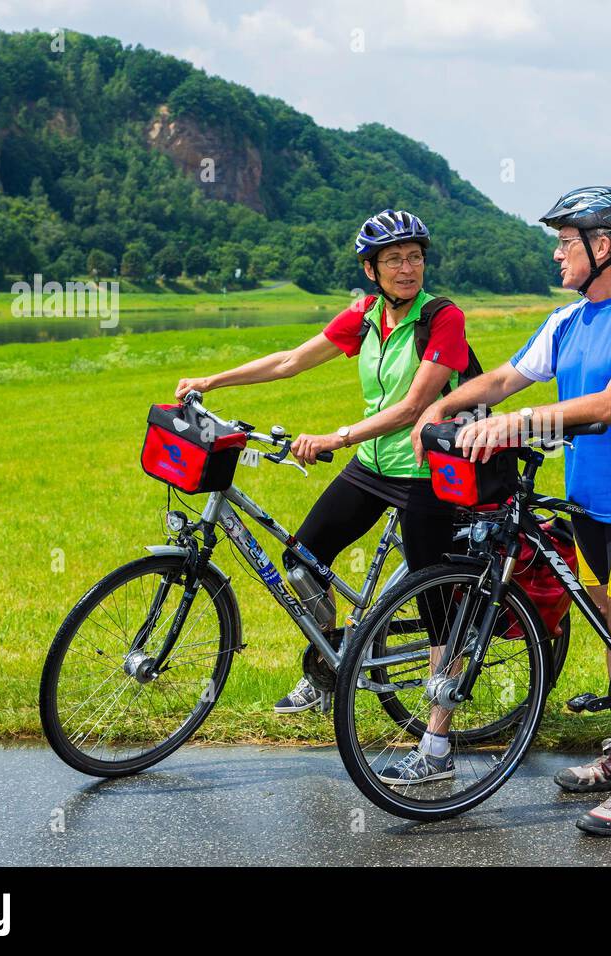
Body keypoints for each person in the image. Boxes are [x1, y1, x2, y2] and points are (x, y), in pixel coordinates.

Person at [410, 186, 611, 836]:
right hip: (588, 501)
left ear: (603, 246)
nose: (557, 254)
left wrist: (515, 425)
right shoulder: (568, 321)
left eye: (566, 242)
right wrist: (443, 406)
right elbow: (506, 377)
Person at [176, 209, 469, 784]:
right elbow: (291, 361)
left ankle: (437, 745)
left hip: (431, 472)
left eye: (414, 258)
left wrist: (337, 437)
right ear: (371, 270)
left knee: (437, 609)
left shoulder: (444, 319)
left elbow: (413, 407)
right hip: (373, 465)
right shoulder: (366, 317)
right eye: (393, 260)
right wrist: (212, 382)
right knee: (302, 560)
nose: (407, 268)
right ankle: (331, 662)